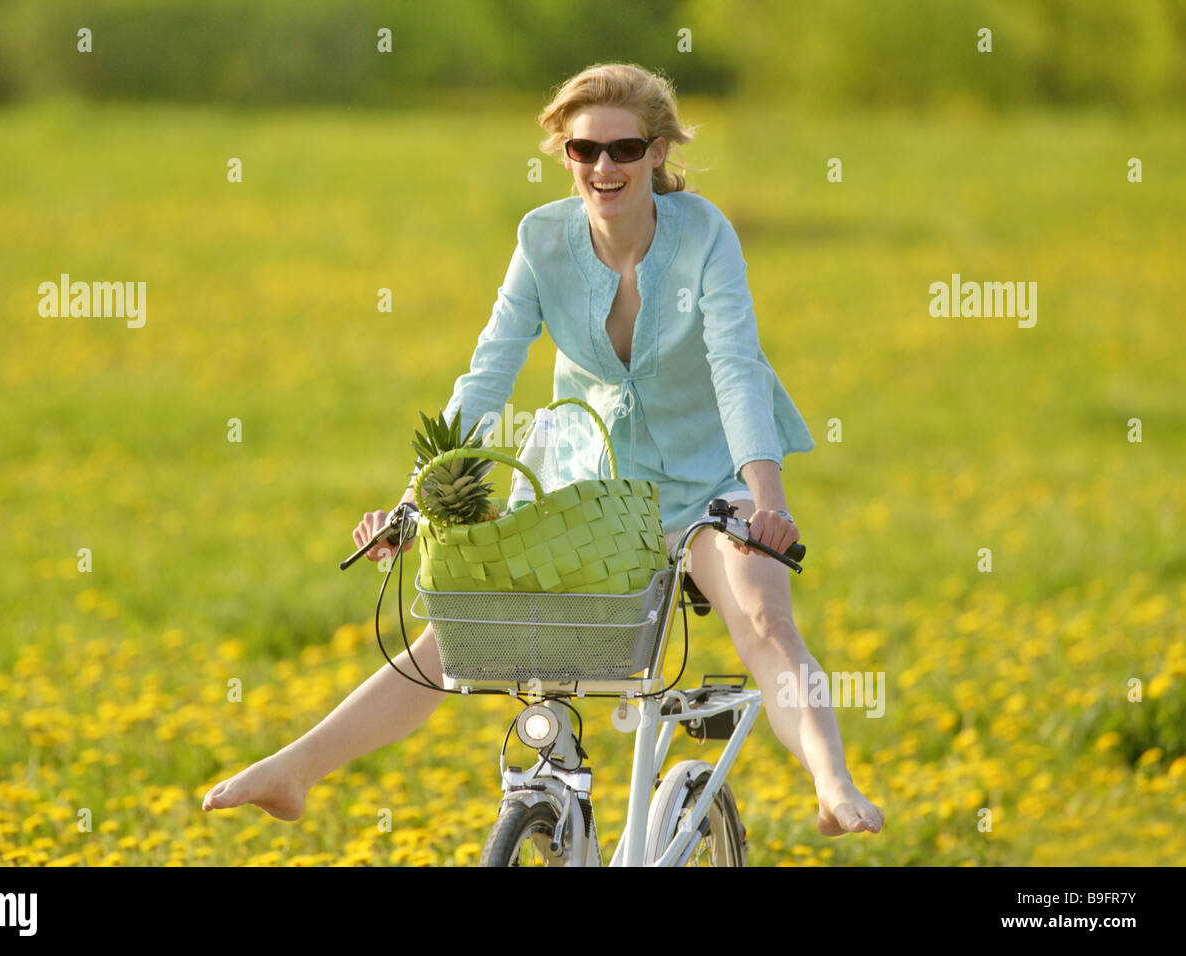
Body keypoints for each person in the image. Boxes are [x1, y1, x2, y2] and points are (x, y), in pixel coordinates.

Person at [204, 63, 883, 838]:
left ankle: (831, 783)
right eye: (582, 150)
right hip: (585, 494)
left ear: (657, 152)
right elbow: (487, 374)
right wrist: (413, 503)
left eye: (625, 149)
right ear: (562, 153)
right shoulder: (541, 241)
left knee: (762, 616)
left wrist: (769, 502)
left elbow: (736, 368)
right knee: (452, 638)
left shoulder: (705, 236)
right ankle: (294, 772)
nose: (603, 168)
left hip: (710, 481)